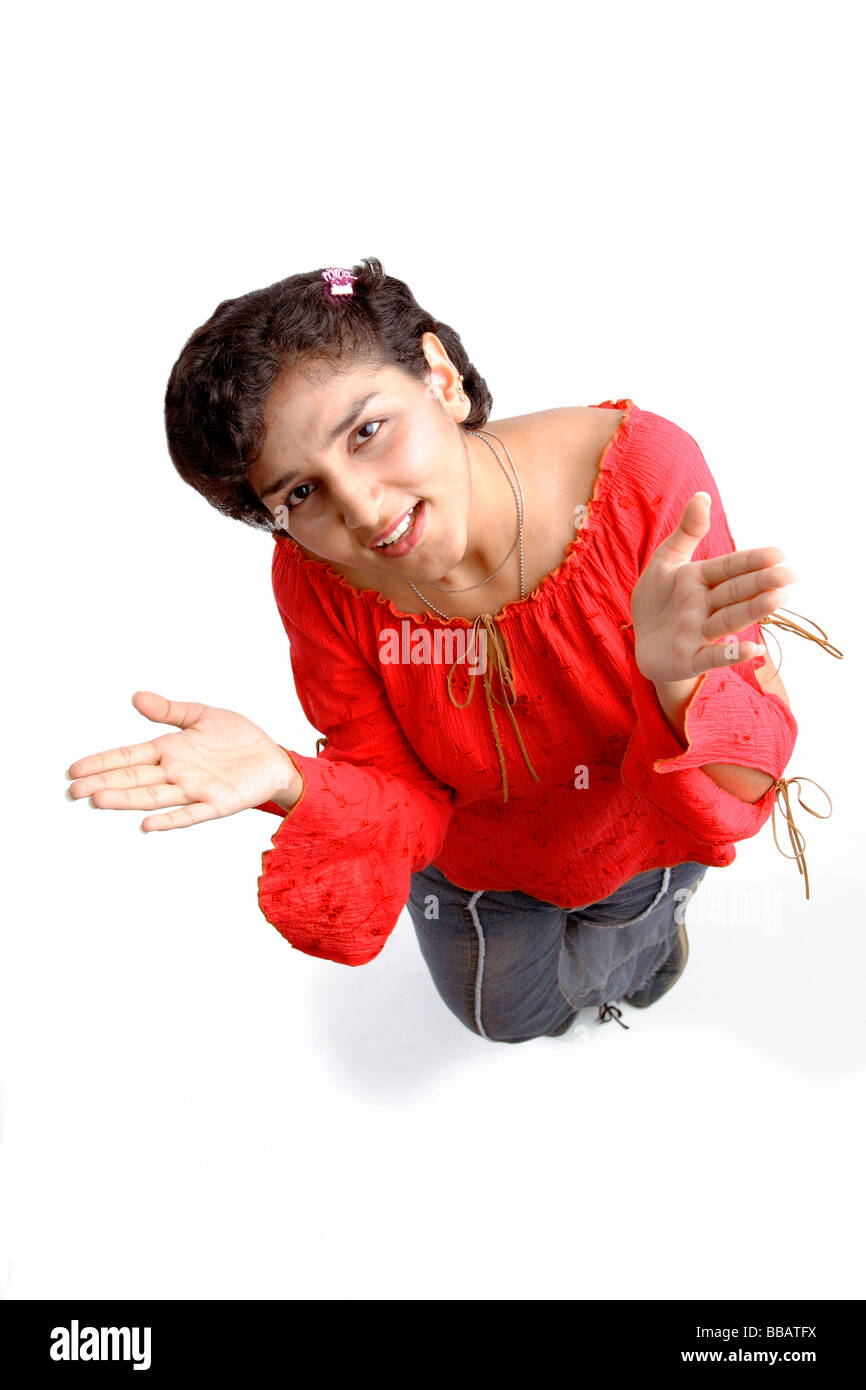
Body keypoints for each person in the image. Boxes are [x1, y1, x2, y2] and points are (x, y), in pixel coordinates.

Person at [65, 258, 840, 1044]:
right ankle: (601, 980)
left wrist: (675, 680)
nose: (362, 512)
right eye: (300, 493)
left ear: (440, 377)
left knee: (635, 949)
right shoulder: (317, 577)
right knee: (500, 1015)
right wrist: (291, 778)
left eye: (367, 432)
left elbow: (743, 781)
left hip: (643, 837)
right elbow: (394, 787)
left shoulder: (645, 475)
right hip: (475, 872)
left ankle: (633, 966)